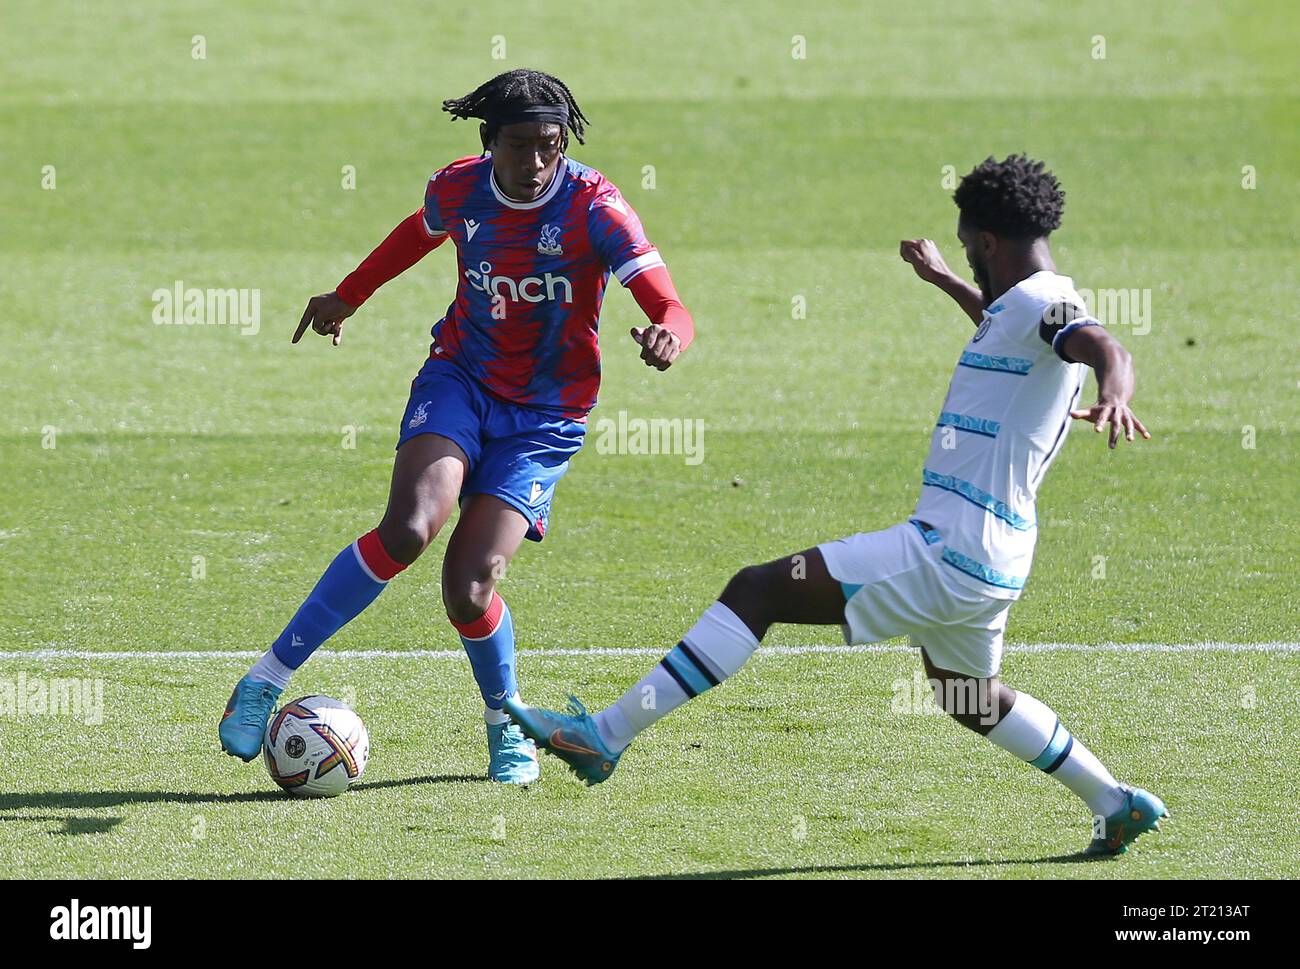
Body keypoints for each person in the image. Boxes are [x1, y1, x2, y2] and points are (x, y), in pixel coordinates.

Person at [506, 154, 1167, 855]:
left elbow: (1101, 342)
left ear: (991, 243)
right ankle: (1114, 800)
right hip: (998, 555)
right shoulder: (1025, 305)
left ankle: (604, 736)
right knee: (968, 695)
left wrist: (1116, 389)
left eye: (971, 251)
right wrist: (943, 278)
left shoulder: (1048, 305)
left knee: (757, 590)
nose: (970, 261)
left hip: (949, 547)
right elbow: (1004, 322)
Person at [219, 69, 695, 784]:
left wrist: (668, 333)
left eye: (551, 146)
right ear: (488, 142)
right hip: (461, 380)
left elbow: (671, 305)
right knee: (409, 528)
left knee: (468, 586)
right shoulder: (459, 186)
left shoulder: (596, 206)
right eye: (520, 146)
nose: (537, 164)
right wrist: (347, 297)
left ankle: (505, 721)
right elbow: (418, 233)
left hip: (546, 416)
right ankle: (263, 678)